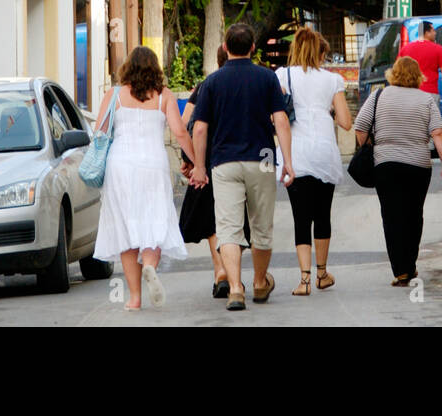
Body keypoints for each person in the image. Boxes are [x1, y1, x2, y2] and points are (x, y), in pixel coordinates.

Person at [191, 23, 294, 312]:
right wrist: (287, 161)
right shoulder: (267, 78)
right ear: (252, 48)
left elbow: (199, 129)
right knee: (261, 226)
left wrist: (199, 166)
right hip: (261, 158)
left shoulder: (212, 83)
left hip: (224, 161)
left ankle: (236, 288)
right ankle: (260, 282)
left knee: (228, 229)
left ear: (225, 48)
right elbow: (281, 120)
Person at [92, 46, 197, 311]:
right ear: (155, 69)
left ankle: (135, 298)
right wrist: (197, 162)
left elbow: (99, 131)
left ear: (128, 68)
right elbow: (180, 132)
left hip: (120, 167)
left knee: (127, 229)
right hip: (153, 164)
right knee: (155, 220)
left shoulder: (114, 95)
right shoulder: (164, 96)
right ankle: (150, 266)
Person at [353, 55, 442, 286]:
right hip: (418, 166)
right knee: (413, 214)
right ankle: (410, 264)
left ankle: (401, 271)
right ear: (418, 76)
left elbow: (360, 127)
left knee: (391, 216)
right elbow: (438, 133)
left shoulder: (378, 95)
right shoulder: (426, 99)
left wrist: (370, 145)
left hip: (386, 165)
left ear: (393, 74)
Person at [274, 26, 351, 296]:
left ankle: (304, 280)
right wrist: (325, 108)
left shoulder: (282, 75)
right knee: (322, 214)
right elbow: (345, 122)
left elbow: (275, 114)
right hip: (324, 150)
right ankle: (322, 273)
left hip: (295, 151)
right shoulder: (332, 80)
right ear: (320, 53)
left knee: (300, 217)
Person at [178, 44, 245, 298]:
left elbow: (187, 124)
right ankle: (232, 272)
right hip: (238, 158)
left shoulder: (205, 85)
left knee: (212, 220)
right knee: (235, 218)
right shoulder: (244, 83)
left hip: (207, 159)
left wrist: (191, 160)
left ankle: (220, 271)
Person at [400, 21, 442, 105]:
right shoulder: (438, 49)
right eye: (433, 30)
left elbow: (398, 71)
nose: (435, 33)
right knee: (431, 117)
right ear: (427, 32)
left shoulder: (405, 49)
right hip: (430, 93)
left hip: (409, 93)